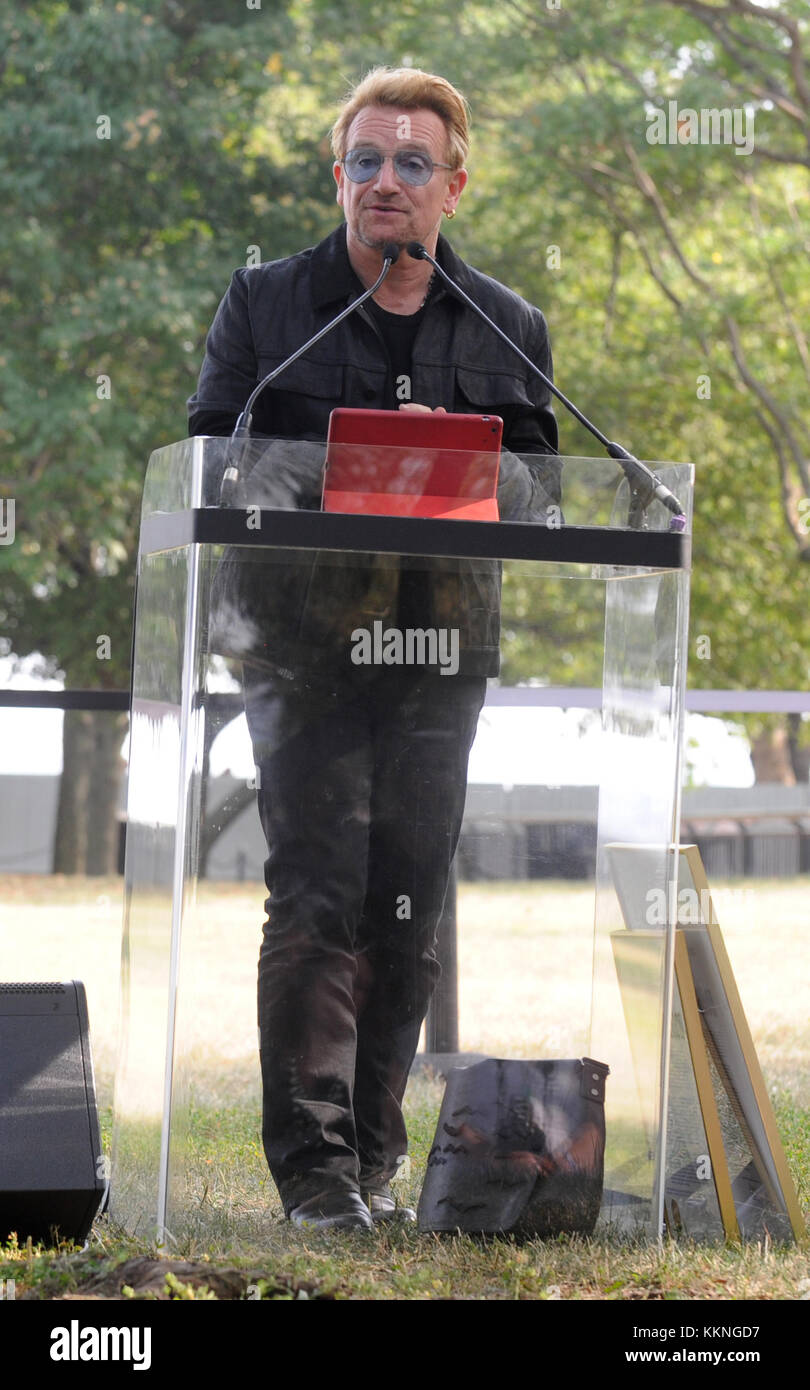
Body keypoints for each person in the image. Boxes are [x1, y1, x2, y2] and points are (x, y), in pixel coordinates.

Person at [188, 66, 559, 1231]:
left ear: (454, 183)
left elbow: (546, 492)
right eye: (366, 160)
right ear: (337, 175)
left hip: (441, 650)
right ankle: (315, 1175)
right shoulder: (266, 302)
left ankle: (378, 1164)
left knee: (409, 898)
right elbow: (212, 460)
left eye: (411, 163)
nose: (385, 181)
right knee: (316, 894)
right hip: (300, 650)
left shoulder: (510, 323)